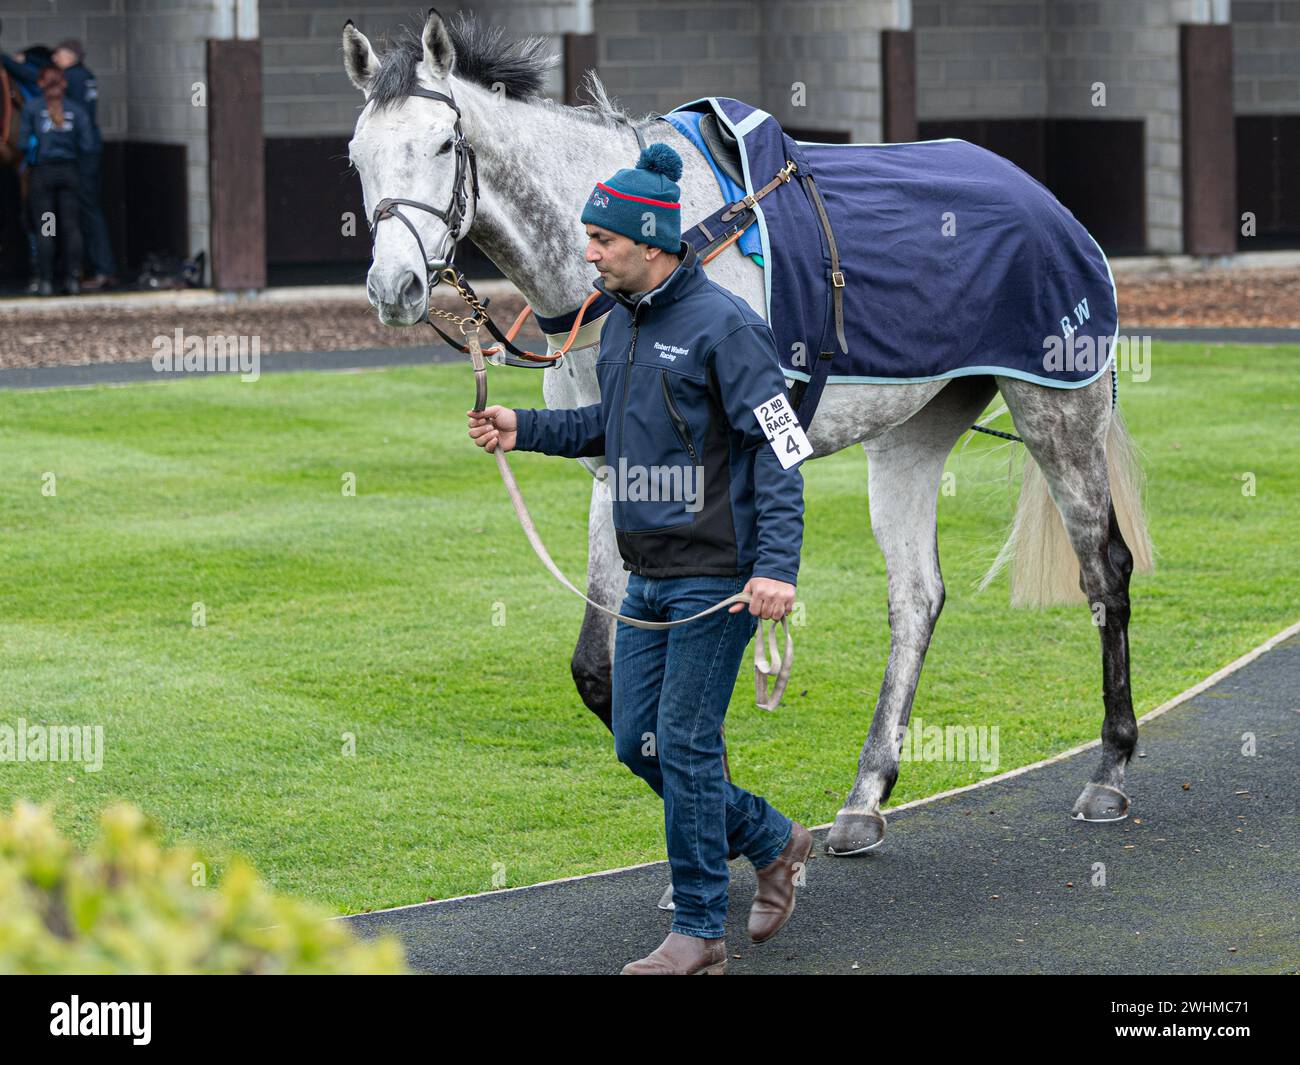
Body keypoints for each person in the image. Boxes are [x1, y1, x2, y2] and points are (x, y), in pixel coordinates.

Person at [467, 144, 814, 975]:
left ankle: (699, 931)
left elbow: (782, 448)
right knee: (638, 743)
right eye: (590, 237)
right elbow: (605, 430)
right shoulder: (616, 319)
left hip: (719, 577)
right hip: (646, 573)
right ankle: (774, 840)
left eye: (602, 239)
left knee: (686, 742)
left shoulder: (727, 326)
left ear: (652, 242)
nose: (588, 252)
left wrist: (777, 568)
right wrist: (525, 425)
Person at [20, 65, 92, 295]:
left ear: (41, 84)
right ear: (64, 84)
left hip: (44, 176)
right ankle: (73, 280)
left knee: (47, 228)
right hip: (69, 174)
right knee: (71, 228)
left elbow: (22, 143)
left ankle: (46, 281)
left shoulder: (33, 109)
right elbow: (88, 145)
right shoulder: (76, 110)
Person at [52, 39, 115, 289]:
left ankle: (98, 269)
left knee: (84, 212)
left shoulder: (71, 79)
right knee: (88, 210)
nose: (55, 58)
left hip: (80, 155)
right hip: (90, 152)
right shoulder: (86, 75)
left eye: (57, 54)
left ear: (69, 55)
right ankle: (96, 268)